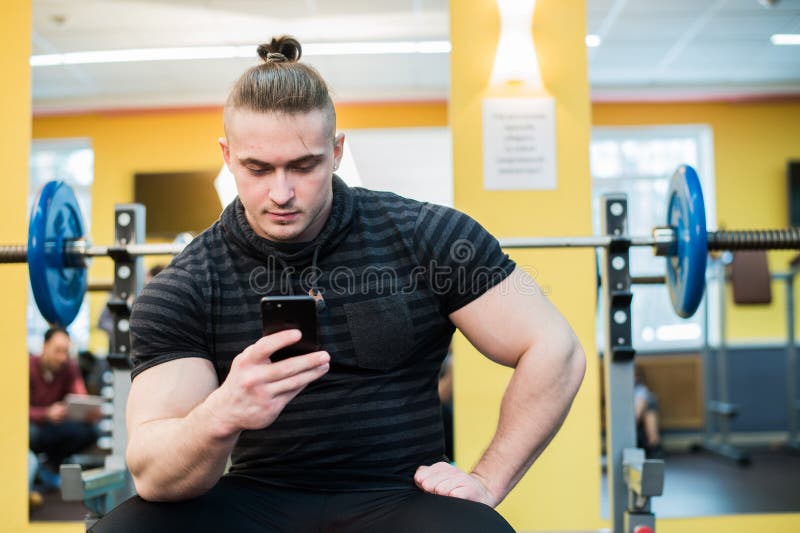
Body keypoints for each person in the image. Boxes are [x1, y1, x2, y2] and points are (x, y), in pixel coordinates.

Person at [91, 36, 586, 532]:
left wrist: (486, 481)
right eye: (258, 168)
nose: (281, 192)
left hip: (400, 495)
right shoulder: (186, 284)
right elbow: (153, 473)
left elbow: (555, 348)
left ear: (336, 151)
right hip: (254, 499)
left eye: (303, 166)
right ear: (227, 155)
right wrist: (223, 412)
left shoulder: (429, 237)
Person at [29, 327, 100, 487]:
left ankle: (52, 466)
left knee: (90, 432)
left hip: (56, 426)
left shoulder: (69, 367)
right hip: (34, 425)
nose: (62, 357)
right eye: (57, 351)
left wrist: (88, 413)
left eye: (66, 352)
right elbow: (17, 411)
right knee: (29, 433)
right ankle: (42, 468)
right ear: (44, 346)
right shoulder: (28, 367)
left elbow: (80, 397)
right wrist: (46, 413)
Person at [634, 366, 663, 459]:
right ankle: (654, 445)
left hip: (638, 418)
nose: (635, 378)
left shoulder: (641, 389)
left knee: (649, 413)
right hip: (626, 416)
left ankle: (654, 445)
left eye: (637, 376)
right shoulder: (616, 389)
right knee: (648, 411)